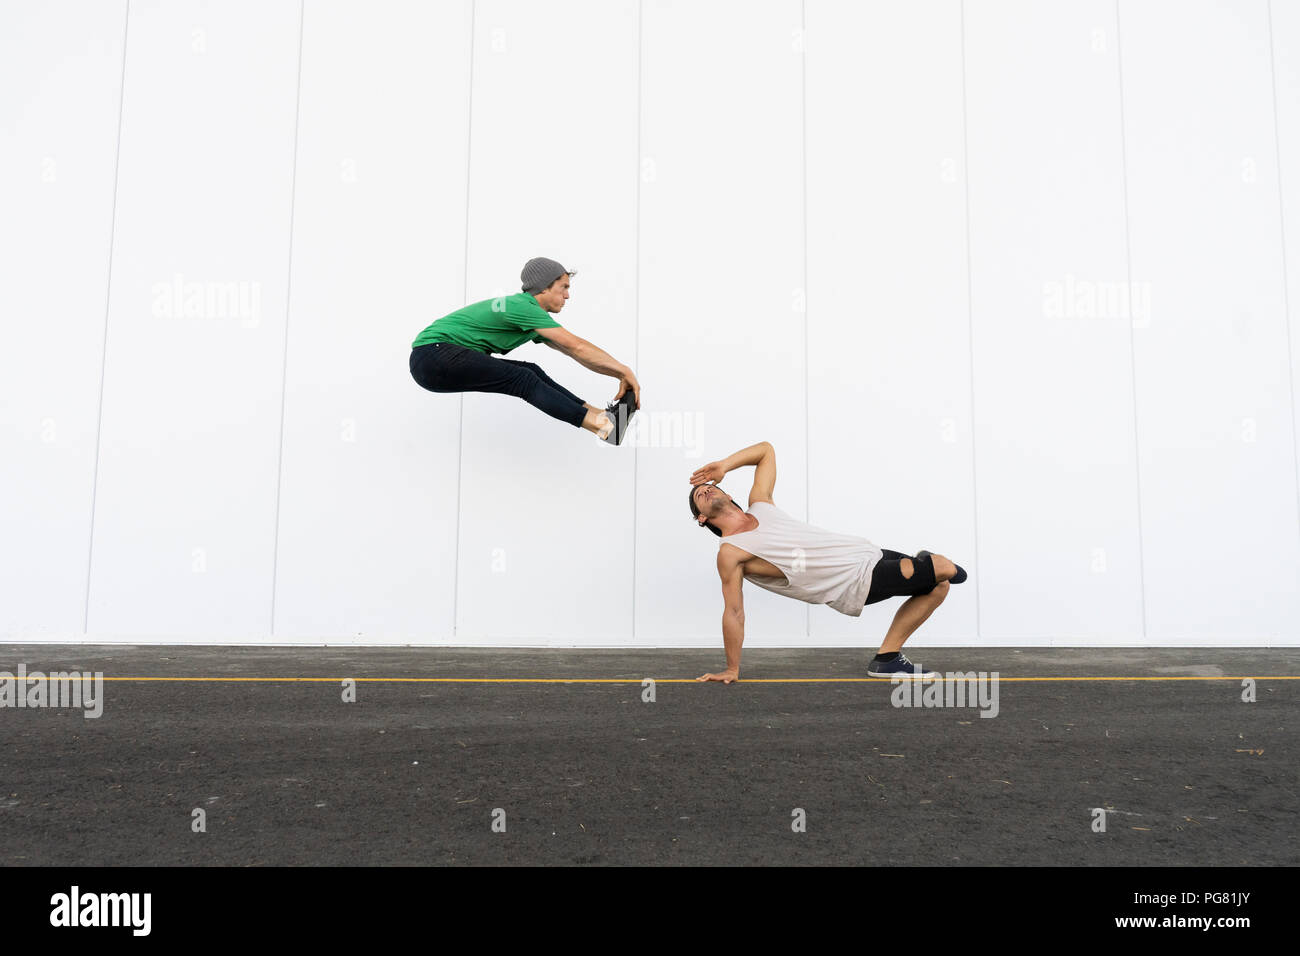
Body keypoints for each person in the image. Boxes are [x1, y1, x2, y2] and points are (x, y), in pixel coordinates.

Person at [688, 441, 968, 683]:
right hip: (852, 582)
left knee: (939, 586)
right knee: (944, 568)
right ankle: (926, 562)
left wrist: (725, 465)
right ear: (701, 518)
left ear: (728, 494)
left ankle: (887, 658)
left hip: (867, 553)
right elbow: (734, 611)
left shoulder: (761, 503)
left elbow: (766, 451)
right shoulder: (730, 551)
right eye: (698, 495)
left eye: (709, 487)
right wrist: (732, 668)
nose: (706, 490)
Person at [409, 257, 640, 443]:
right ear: (543, 288)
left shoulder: (531, 317)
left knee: (531, 371)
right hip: (433, 354)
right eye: (563, 287)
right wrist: (623, 371)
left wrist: (618, 374)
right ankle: (602, 425)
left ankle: (601, 417)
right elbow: (577, 345)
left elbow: (575, 353)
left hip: (433, 360)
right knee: (522, 379)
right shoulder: (522, 306)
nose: (568, 295)